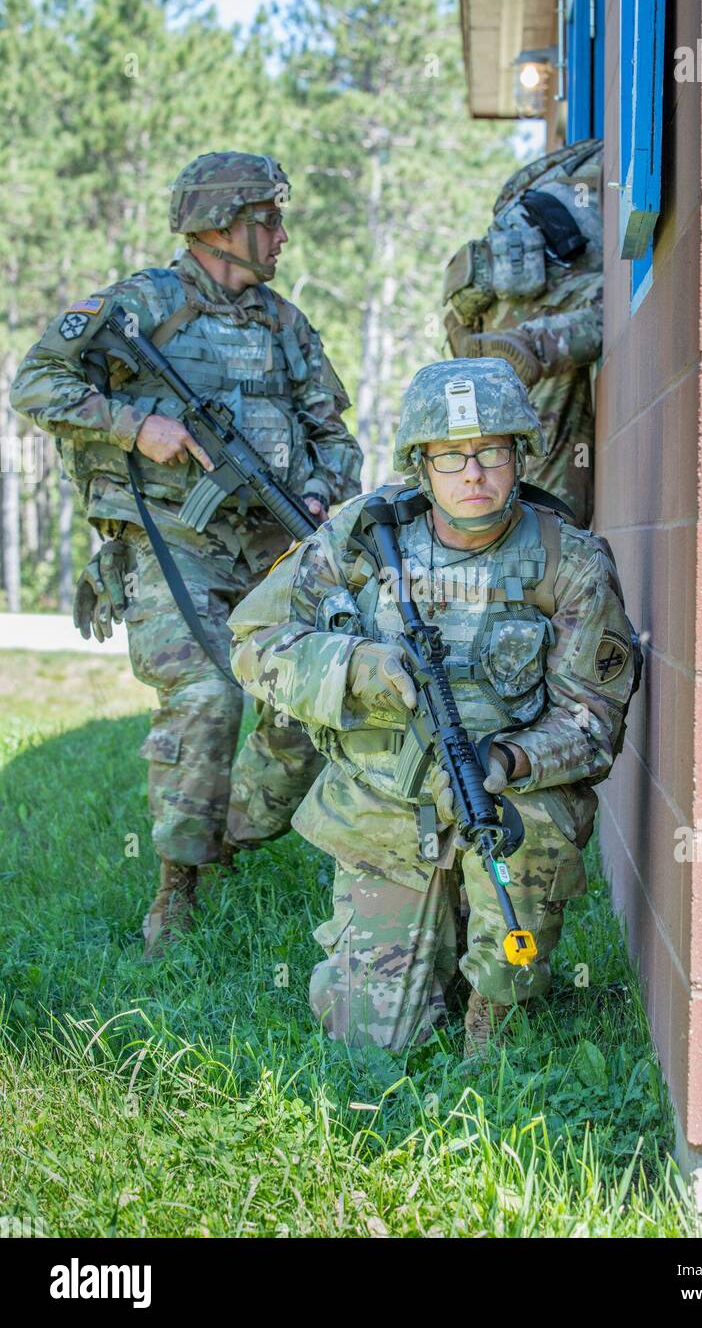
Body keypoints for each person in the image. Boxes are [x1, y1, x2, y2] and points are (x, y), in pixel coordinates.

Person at [227, 357, 639, 1058]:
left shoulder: (569, 562)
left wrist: (509, 758)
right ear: (421, 463)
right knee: (370, 1041)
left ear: (519, 455)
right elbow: (253, 643)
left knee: (511, 963)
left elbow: (593, 721)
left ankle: (493, 1005)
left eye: (490, 451)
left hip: (508, 809)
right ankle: (427, 937)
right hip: (386, 806)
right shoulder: (363, 535)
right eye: (451, 457)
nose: (473, 474)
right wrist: (352, 666)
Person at [11, 151, 363, 955]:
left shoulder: (284, 325)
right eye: (265, 219)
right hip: (172, 540)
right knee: (207, 695)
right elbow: (34, 384)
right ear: (217, 226)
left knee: (312, 704)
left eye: (279, 218)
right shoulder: (142, 306)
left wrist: (317, 492)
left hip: (272, 547)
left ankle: (230, 832)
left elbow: (335, 435)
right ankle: (178, 884)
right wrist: (139, 427)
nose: (280, 235)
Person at [442, 139, 603, 528]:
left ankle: (553, 541)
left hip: (548, 275)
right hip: (545, 246)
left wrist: (527, 348)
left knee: (550, 504)